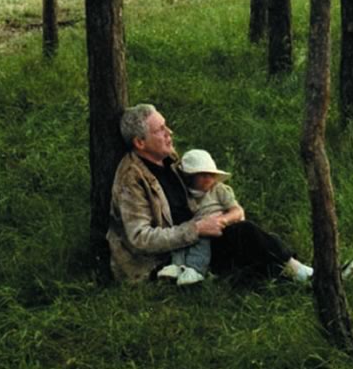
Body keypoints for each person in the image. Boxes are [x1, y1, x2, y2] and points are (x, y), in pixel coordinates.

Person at [106, 103, 317, 284]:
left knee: (248, 240)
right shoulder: (131, 178)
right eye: (160, 130)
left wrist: (224, 216)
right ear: (140, 143)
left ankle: (301, 275)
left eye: (166, 126)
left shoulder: (169, 161)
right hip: (165, 260)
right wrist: (196, 229)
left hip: (196, 242)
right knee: (246, 236)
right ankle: (306, 276)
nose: (169, 132)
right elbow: (140, 238)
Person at [159, 148, 244, 286]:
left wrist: (222, 220)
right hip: (194, 225)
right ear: (189, 177)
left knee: (201, 243)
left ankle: (195, 269)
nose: (208, 179)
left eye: (211, 175)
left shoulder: (218, 189)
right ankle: (176, 265)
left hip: (214, 228)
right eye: (202, 175)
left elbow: (237, 211)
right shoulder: (185, 194)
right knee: (182, 237)